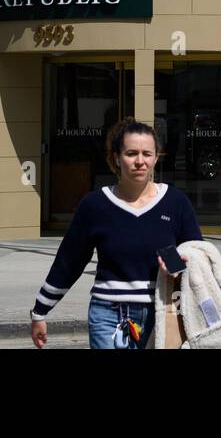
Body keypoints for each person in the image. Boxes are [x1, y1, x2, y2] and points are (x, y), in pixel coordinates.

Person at [29, 119, 202, 349]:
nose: (140, 161)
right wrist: (40, 311)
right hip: (107, 315)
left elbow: (198, 258)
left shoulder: (176, 203)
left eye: (147, 154)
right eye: (131, 153)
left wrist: (176, 267)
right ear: (116, 158)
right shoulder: (95, 205)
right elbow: (69, 262)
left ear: (156, 158)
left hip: (163, 313)